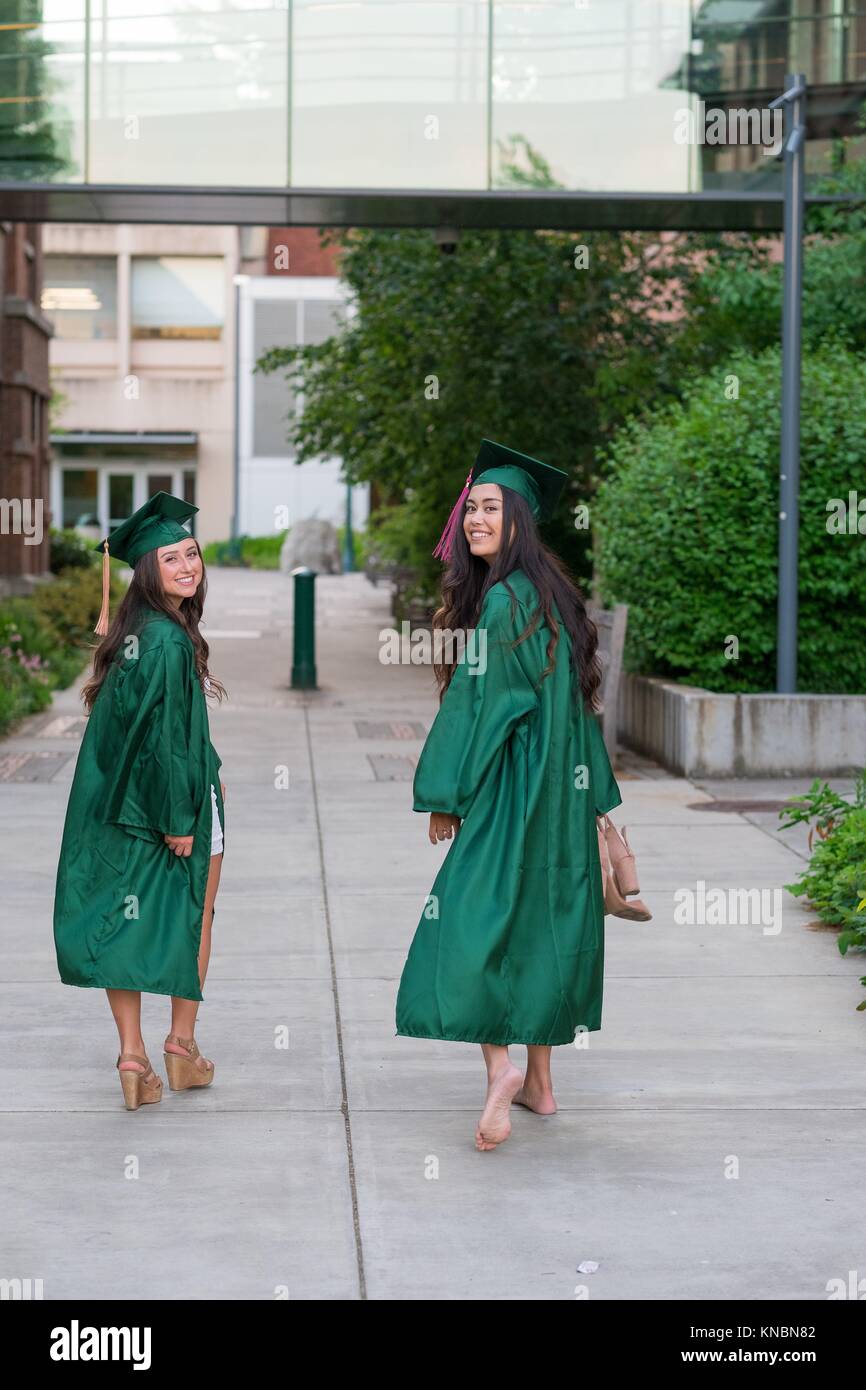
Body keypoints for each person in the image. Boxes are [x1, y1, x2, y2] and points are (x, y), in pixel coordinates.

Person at [395, 439, 623, 1151]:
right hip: (562, 794)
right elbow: (583, 708)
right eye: (471, 508)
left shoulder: (501, 606)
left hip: (511, 789)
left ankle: (500, 1070)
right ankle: (543, 1087)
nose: (474, 520)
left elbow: (480, 707)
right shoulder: (556, 598)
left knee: (471, 920)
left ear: (519, 518)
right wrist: (599, 803)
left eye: (491, 508)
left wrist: (446, 791)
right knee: (542, 928)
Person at [52, 492, 227, 1110]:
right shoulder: (169, 641)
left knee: (123, 919)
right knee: (193, 915)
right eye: (171, 558)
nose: (187, 566)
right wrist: (181, 816)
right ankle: (181, 1045)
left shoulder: (138, 632)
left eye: (192, 554)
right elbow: (167, 739)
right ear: (146, 570)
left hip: (114, 802)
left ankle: (134, 1057)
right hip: (171, 804)